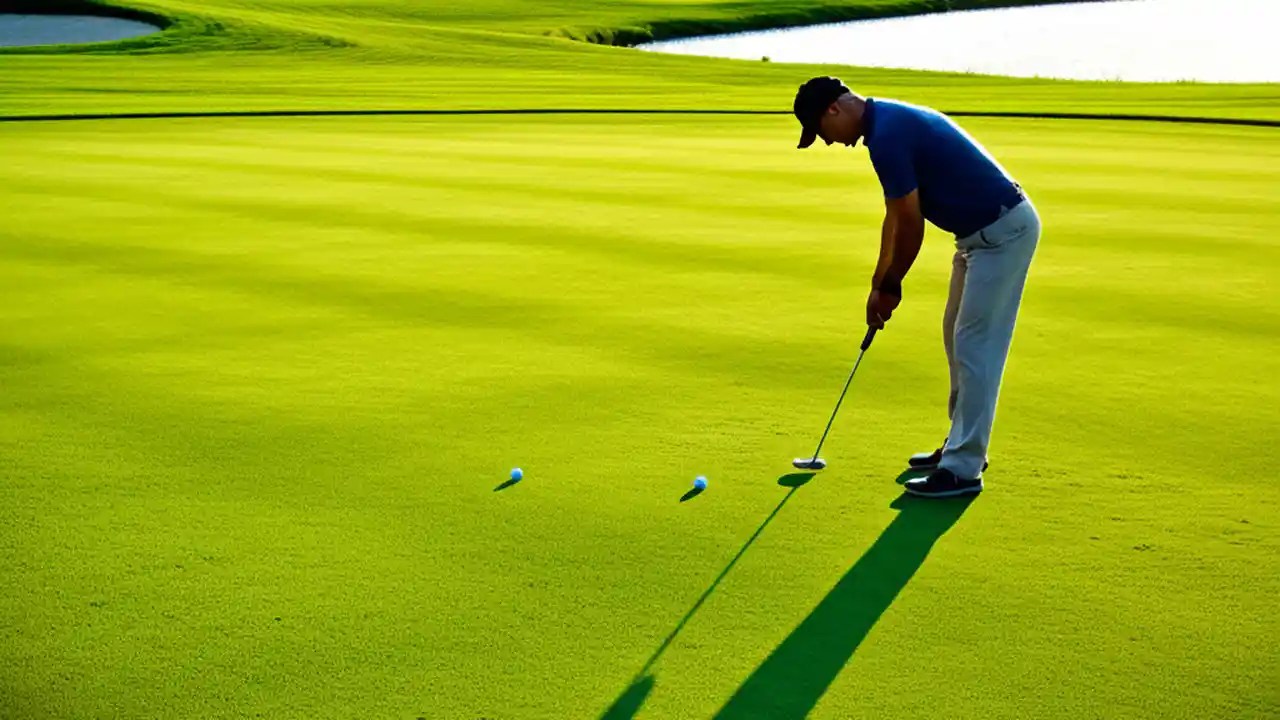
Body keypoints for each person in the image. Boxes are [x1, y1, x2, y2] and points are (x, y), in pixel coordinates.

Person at [792, 76, 1041, 498]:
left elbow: (911, 224)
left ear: (833, 110)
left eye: (821, 133)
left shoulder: (887, 135)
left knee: (975, 345)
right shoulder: (883, 127)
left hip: (1003, 233)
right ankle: (960, 446)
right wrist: (879, 283)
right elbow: (895, 218)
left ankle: (963, 469)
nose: (829, 143)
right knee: (955, 336)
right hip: (978, 237)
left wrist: (892, 284)